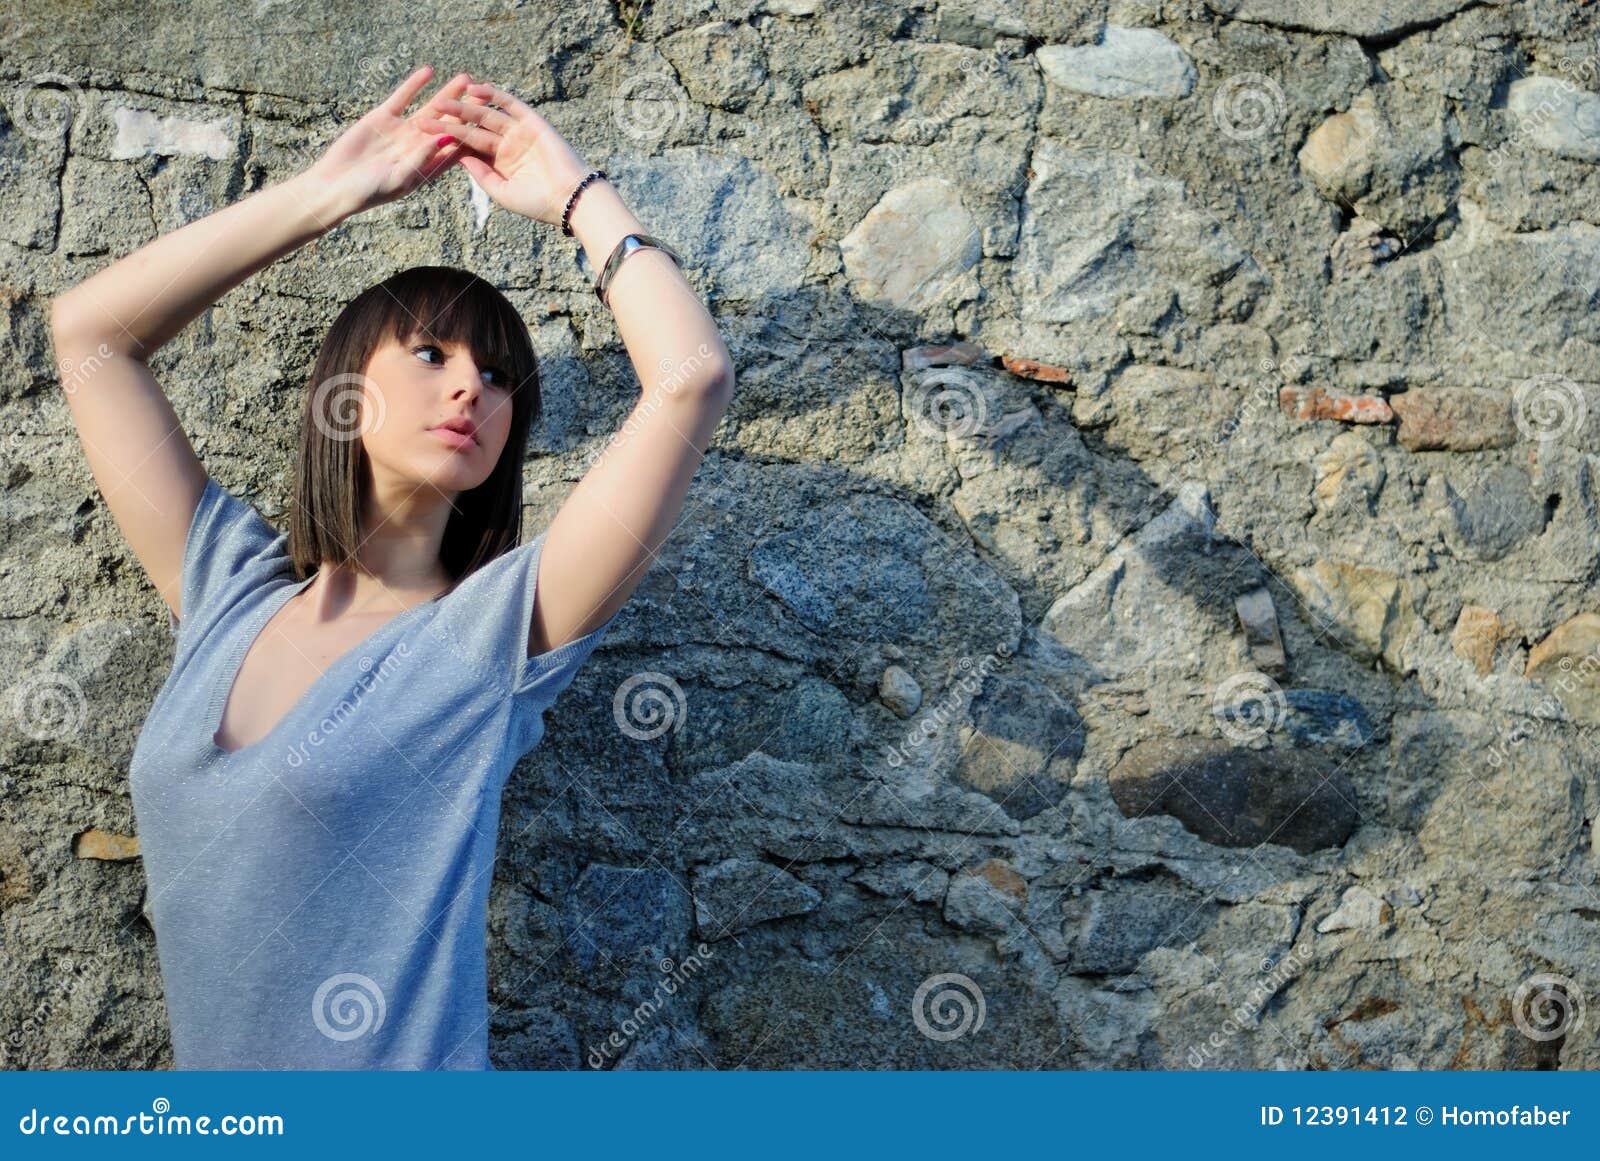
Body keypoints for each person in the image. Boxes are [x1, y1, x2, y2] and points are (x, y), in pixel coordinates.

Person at [46, 65, 734, 1070]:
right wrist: (325, 195)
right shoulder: (225, 591)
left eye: (498, 376)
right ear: (344, 392)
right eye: (430, 354)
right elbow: (90, 338)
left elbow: (690, 379)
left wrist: (579, 199)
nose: (470, 387)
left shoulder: (494, 637)